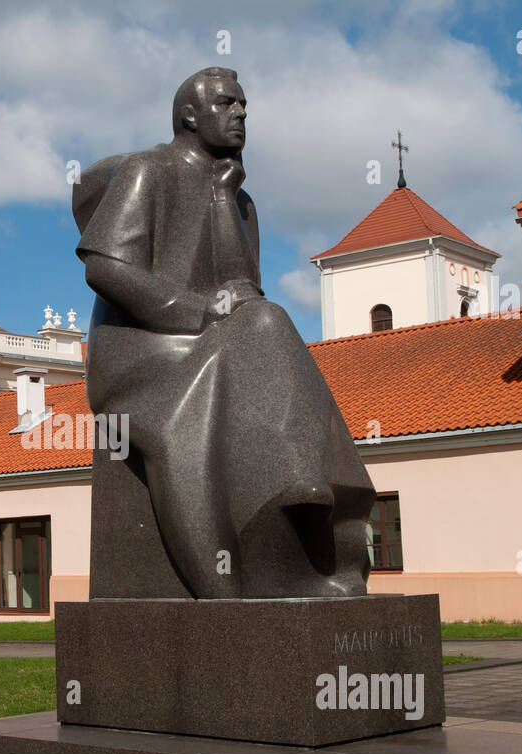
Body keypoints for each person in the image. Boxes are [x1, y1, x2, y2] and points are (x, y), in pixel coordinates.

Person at [73, 66, 374, 598]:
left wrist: (221, 197)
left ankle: (310, 496)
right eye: (226, 104)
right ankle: (235, 574)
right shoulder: (148, 170)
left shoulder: (239, 199)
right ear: (189, 117)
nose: (239, 115)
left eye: (243, 106)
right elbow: (105, 267)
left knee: (267, 317)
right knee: (199, 403)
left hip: (213, 344)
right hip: (141, 351)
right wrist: (198, 311)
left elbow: (244, 287)